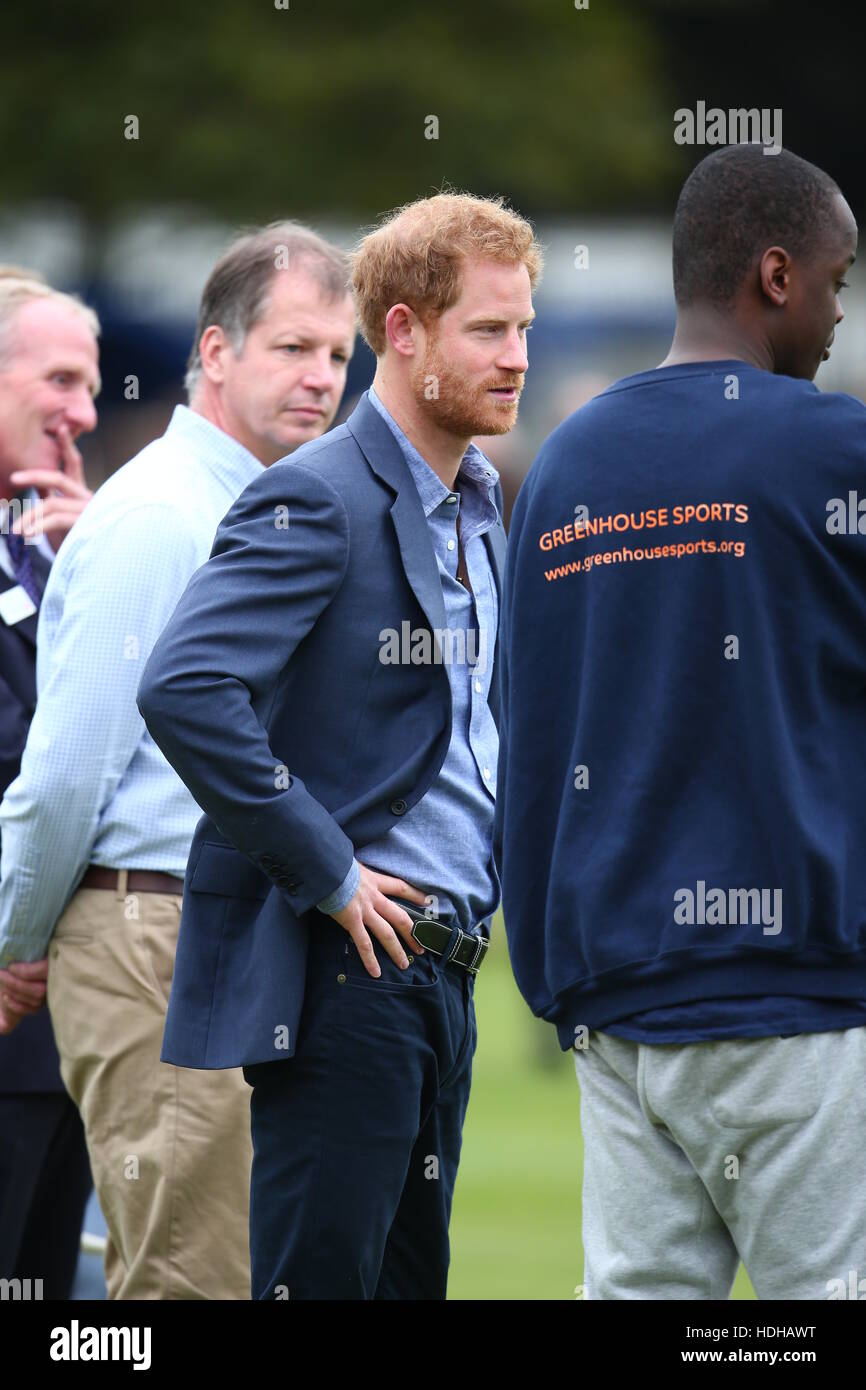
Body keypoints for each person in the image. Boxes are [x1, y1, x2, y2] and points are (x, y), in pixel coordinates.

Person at [137, 192, 542, 1299]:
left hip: (449, 976)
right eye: (486, 331)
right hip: (348, 972)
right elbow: (182, 685)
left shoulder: (481, 500)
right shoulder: (313, 496)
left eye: (523, 328)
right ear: (402, 333)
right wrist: (325, 868)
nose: (515, 358)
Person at [495, 143, 866, 1300]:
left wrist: (557, 984)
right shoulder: (830, 447)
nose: (835, 315)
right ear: (772, 273)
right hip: (799, 992)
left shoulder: (563, 465)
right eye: (834, 281)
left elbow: (531, 725)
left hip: (617, 1005)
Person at [0, 223, 356, 1299]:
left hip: (216, 932)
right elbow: (65, 775)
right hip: (153, 929)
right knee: (185, 1286)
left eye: (338, 357)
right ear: (213, 353)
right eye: (292, 348)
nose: (320, 379)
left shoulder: (244, 504)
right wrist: (9, 937)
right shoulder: (158, 516)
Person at [0, 267, 98, 1299]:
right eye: (63, 378)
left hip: (61, 1034)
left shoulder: (53, 548)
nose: (84, 411)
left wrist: (89, 572)